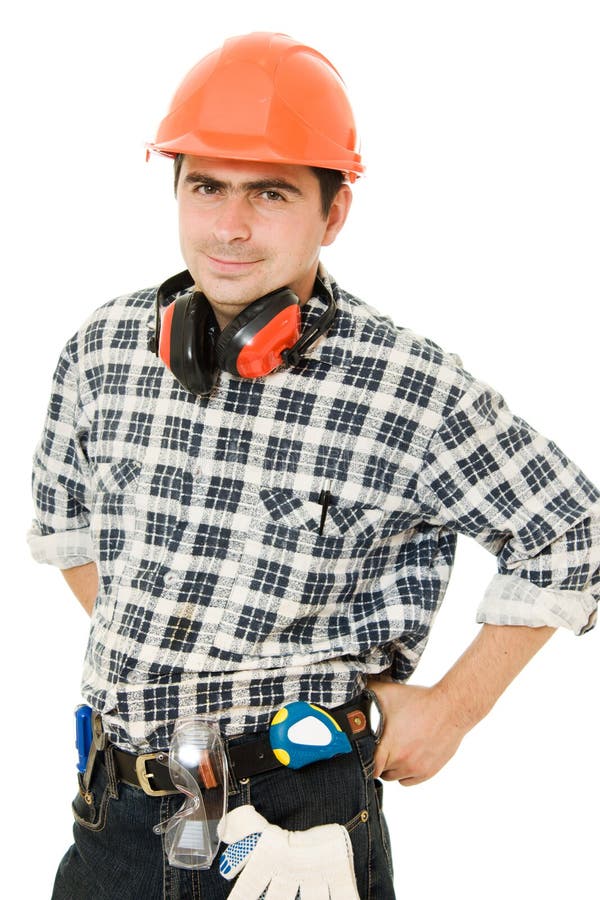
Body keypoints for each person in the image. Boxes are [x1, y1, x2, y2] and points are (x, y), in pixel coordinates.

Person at [28, 31, 599, 900]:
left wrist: (455, 709)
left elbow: (573, 529)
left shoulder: (409, 387)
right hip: (116, 821)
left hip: (297, 827)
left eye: (271, 193)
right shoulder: (103, 349)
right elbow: (66, 528)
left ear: (333, 213)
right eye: (206, 187)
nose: (229, 225)